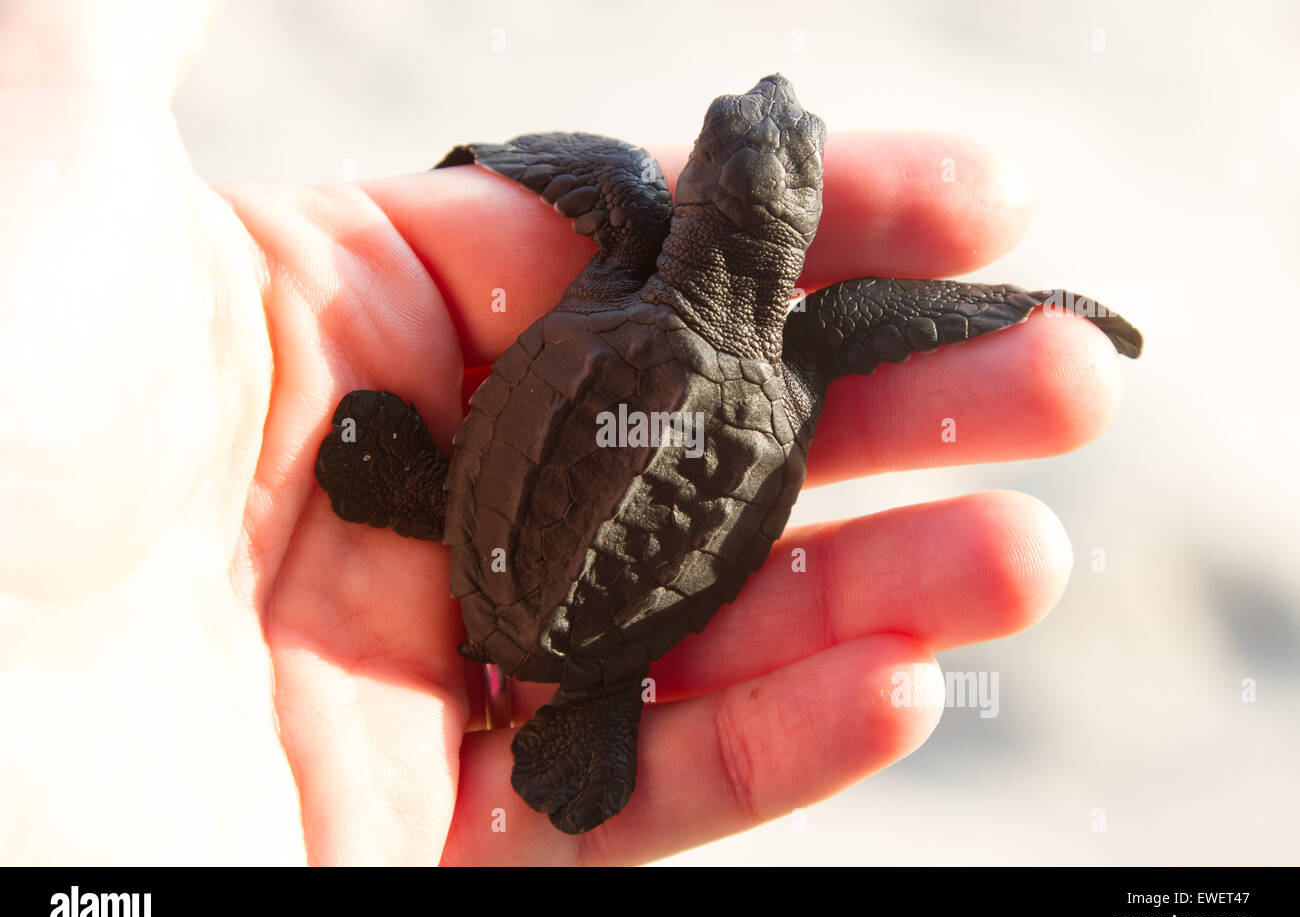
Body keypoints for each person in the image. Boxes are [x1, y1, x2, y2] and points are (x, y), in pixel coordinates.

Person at [0, 2, 1127, 865]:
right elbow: (904, 315)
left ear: (702, 199)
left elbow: (578, 171)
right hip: (602, 656)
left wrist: (482, 156)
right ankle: (587, 700)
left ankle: (431, 501)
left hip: (473, 508)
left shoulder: (637, 228)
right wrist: (1038, 303)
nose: (770, 99)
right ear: (796, 233)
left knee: (467, 433)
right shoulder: (817, 342)